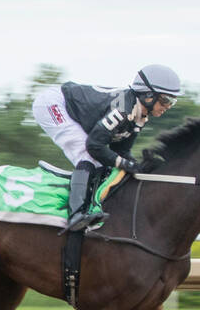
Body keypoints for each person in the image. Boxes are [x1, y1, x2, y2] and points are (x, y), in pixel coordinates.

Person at [32, 64, 181, 231]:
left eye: (172, 102)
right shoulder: (123, 110)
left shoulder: (139, 116)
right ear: (148, 95)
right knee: (87, 156)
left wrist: (137, 167)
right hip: (53, 104)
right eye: (166, 100)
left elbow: (122, 151)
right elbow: (94, 146)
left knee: (104, 164)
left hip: (69, 106)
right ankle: (76, 213)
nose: (168, 106)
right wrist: (125, 164)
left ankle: (93, 206)